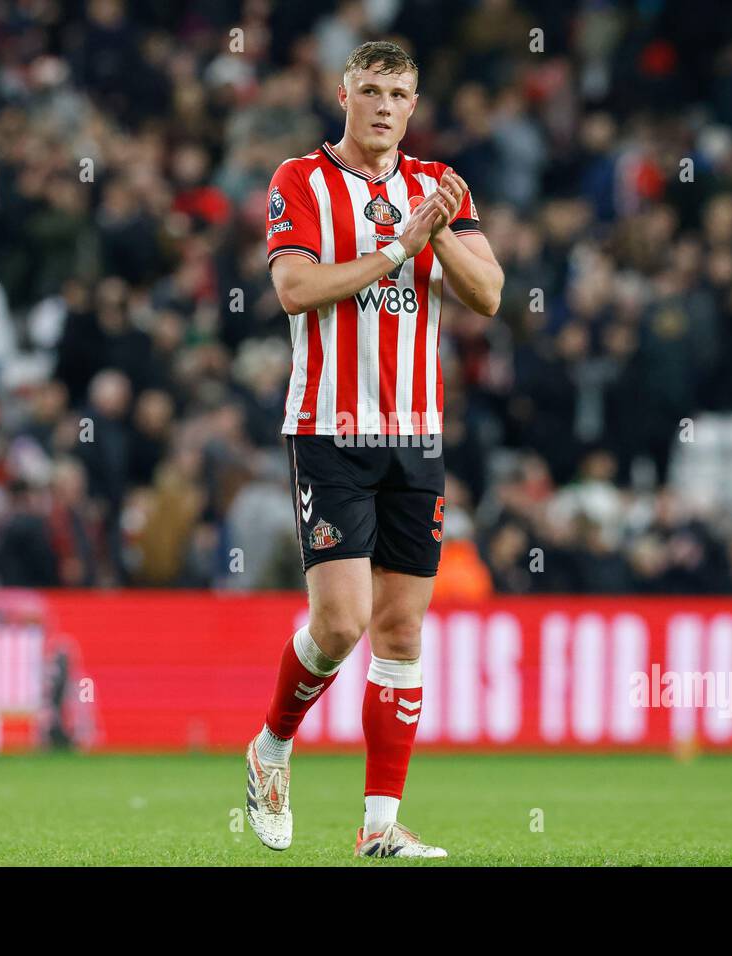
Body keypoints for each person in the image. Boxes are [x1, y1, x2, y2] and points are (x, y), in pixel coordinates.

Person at [247, 41, 503, 859]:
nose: (385, 105)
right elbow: (295, 288)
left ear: (415, 102)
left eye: (399, 92)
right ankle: (272, 747)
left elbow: (490, 294)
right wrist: (398, 247)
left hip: (415, 435)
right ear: (342, 95)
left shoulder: (438, 186)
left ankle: (380, 827)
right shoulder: (299, 181)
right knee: (342, 620)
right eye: (370, 90)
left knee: (400, 633)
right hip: (329, 429)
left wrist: (434, 234)